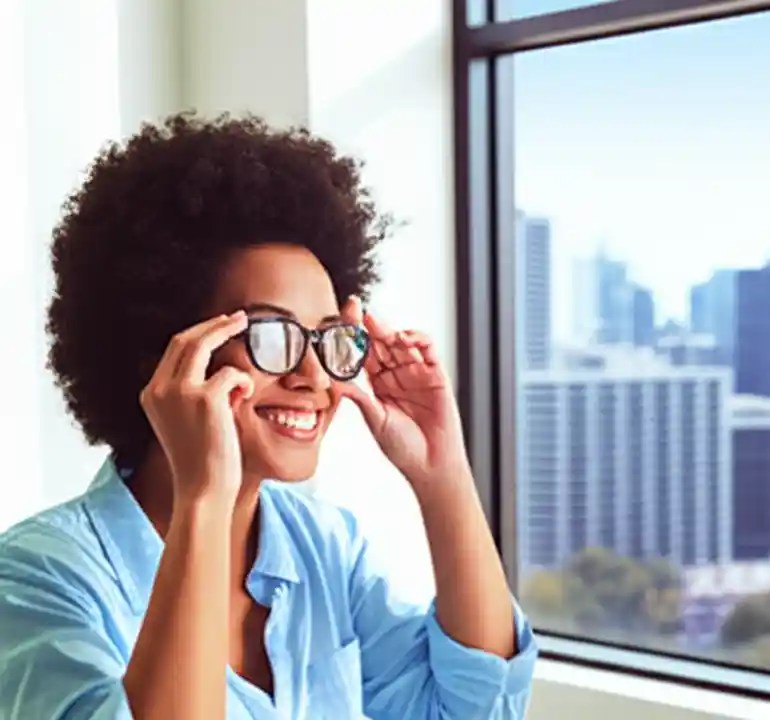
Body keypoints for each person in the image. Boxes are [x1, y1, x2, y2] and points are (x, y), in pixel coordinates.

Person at [0, 115, 537, 719]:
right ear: (167, 350)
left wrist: (443, 477)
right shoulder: (35, 577)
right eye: (273, 336)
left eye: (329, 338)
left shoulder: (326, 546)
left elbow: (474, 709)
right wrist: (205, 498)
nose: (311, 377)